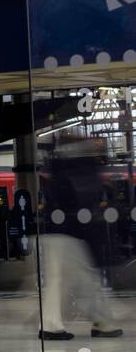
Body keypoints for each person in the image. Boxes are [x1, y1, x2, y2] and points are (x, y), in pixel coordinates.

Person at [38, 136, 124, 339]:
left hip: (63, 231)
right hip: (69, 233)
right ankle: (54, 326)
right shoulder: (81, 169)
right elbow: (84, 199)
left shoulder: (61, 168)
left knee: (71, 279)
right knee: (73, 279)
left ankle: (99, 322)